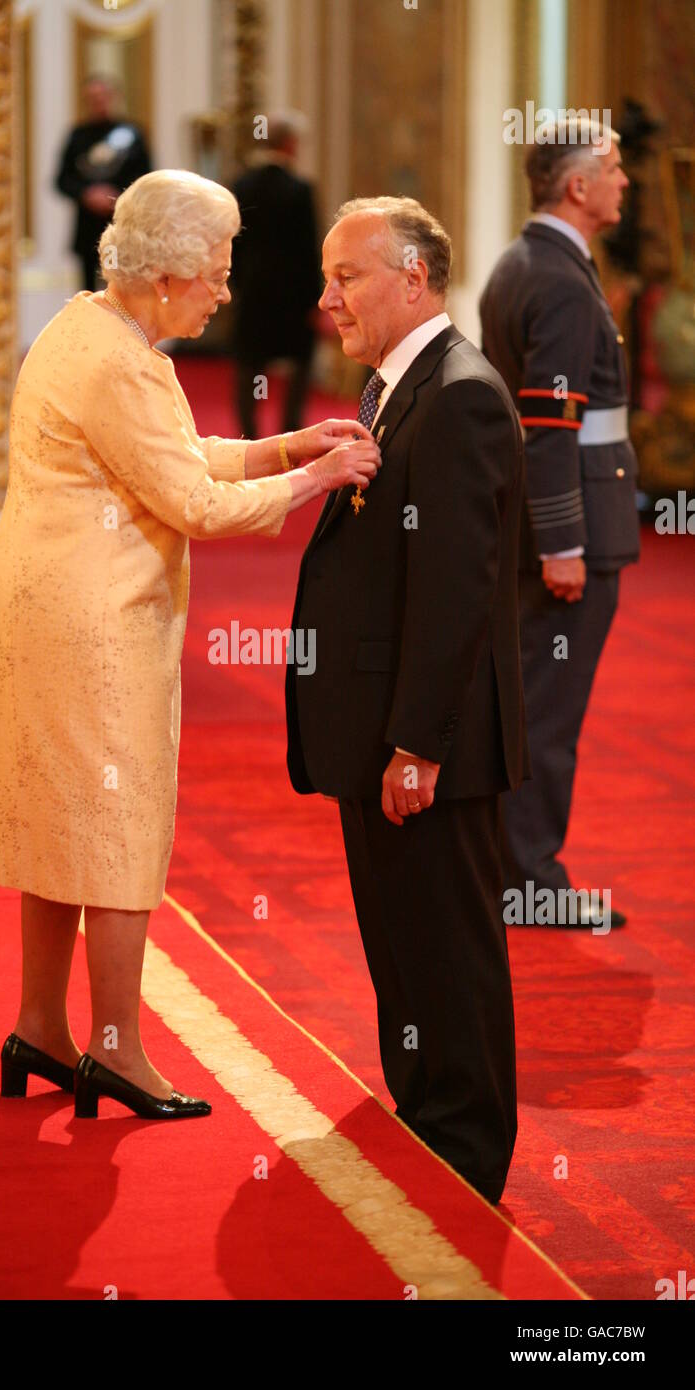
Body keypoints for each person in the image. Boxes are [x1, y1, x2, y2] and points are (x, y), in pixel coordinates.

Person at [0, 170, 380, 1122]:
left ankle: (39, 1024)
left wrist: (278, 450)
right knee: (115, 828)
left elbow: (166, 455)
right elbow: (192, 502)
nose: (227, 290)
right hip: (98, 625)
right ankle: (115, 1051)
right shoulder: (122, 361)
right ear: (166, 277)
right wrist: (321, 476)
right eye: (217, 272)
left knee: (56, 821)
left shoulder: (86, 327)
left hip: (44, 607)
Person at [285, 197, 528, 1205]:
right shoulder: (397, 387)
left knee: (447, 948)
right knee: (401, 936)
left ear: (414, 277)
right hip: (385, 729)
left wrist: (414, 745)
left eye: (347, 276)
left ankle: (465, 1146)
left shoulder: (460, 393)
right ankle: (424, 1111)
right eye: (329, 276)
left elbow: (454, 594)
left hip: (434, 742)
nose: (326, 296)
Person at [480, 118, 640, 930]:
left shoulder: (521, 265)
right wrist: (566, 544)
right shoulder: (565, 283)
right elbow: (551, 427)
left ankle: (513, 869)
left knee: (529, 702)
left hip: (539, 523)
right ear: (577, 187)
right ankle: (530, 882)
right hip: (568, 527)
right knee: (548, 715)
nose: (624, 182)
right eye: (612, 170)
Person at [231, 111, 320, 436]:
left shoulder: (241, 185)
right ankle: (291, 433)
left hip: (253, 294)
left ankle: (249, 438)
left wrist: (236, 283)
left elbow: (232, 243)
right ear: (290, 144)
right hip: (293, 297)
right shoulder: (300, 189)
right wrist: (316, 299)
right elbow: (309, 251)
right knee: (299, 363)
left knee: (249, 368)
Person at [55, 75, 152, 291]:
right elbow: (62, 180)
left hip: (120, 225)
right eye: (93, 98)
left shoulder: (132, 133)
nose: (99, 102)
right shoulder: (77, 136)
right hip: (88, 228)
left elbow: (145, 177)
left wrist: (117, 196)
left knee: (119, 286)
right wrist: (87, 194)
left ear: (114, 97)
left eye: (103, 97)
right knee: (88, 291)